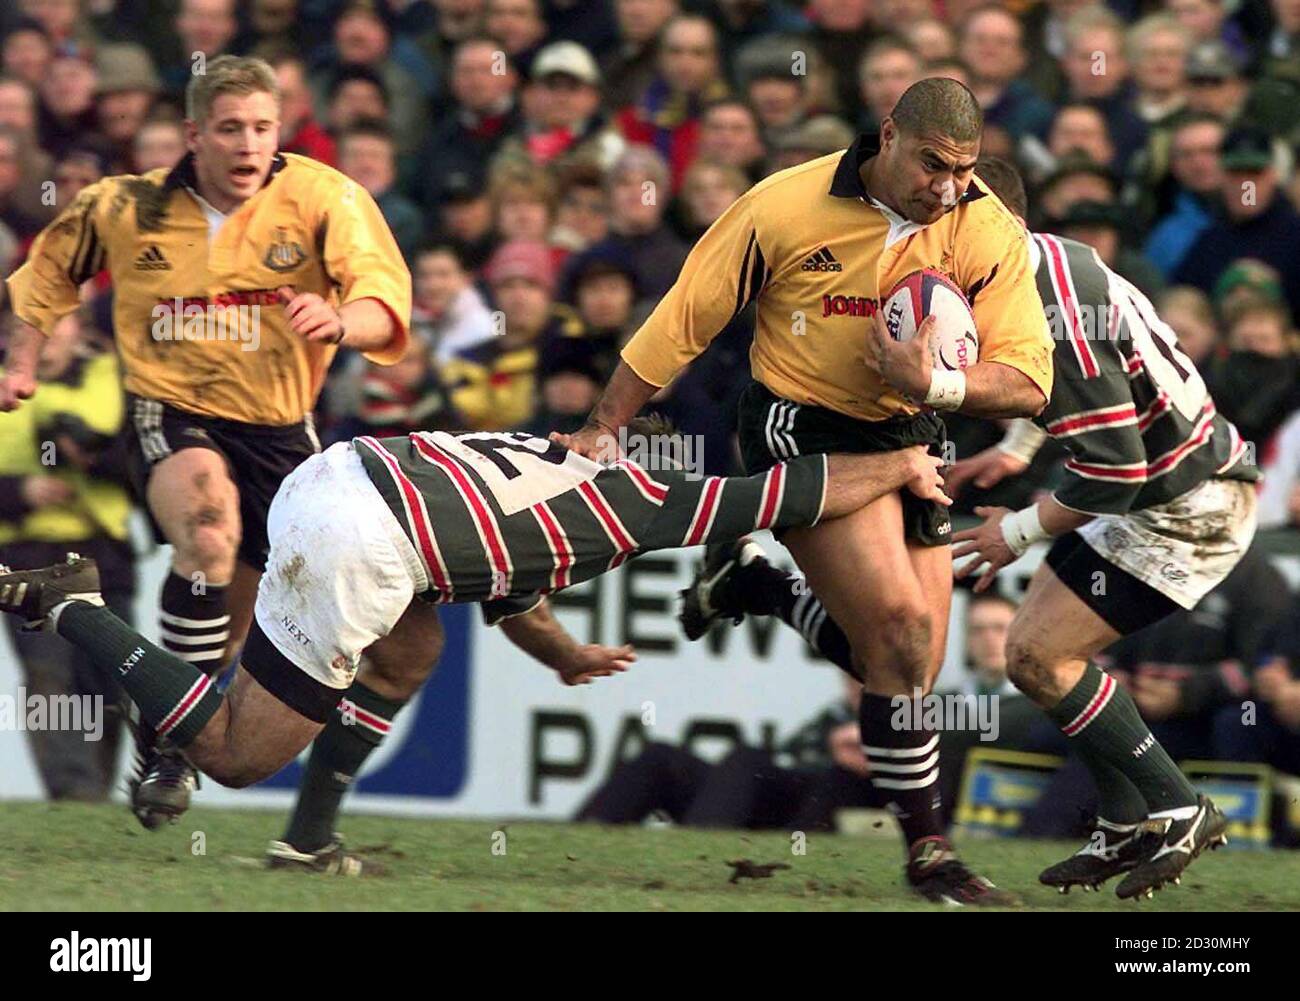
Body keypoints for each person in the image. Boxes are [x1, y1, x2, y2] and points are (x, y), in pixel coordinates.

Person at [551, 77, 1055, 906]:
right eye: (934, 164)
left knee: (910, 661)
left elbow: (1030, 379)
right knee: (896, 629)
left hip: (915, 429)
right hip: (803, 424)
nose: (948, 187)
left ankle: (756, 583)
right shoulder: (783, 207)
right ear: (888, 136)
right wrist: (607, 423)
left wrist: (936, 381)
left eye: (963, 171)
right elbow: (685, 315)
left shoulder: (986, 229)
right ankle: (931, 854)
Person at [0, 425, 952, 813]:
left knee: (414, 646)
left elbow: (511, 598)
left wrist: (568, 654)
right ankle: (75, 601)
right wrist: (903, 462)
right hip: (362, 543)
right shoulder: (640, 504)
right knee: (237, 751)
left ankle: (311, 836)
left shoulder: (544, 467)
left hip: (337, 472)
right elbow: (784, 493)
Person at [0, 55, 411, 829]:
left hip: (283, 430)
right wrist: (21, 362)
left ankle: (168, 731)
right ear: (193, 134)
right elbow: (45, 274)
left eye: (263, 127)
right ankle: (171, 751)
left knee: (238, 609)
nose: (249, 144)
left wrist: (341, 321)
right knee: (208, 527)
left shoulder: (326, 198)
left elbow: (385, 305)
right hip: (170, 408)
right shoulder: (125, 206)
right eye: (230, 129)